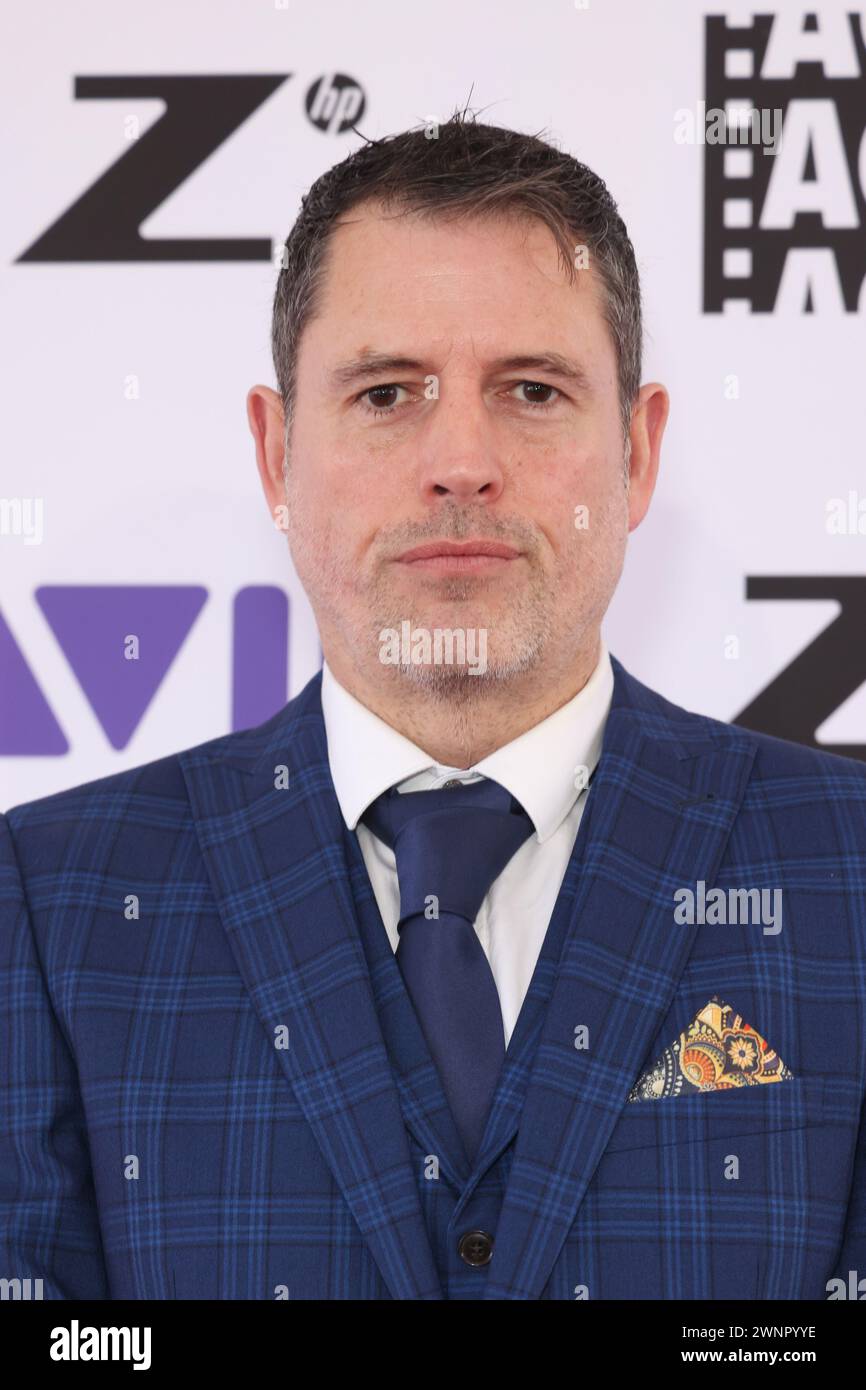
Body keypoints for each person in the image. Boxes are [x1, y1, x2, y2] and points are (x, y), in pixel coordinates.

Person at [1, 111, 864, 1301]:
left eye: (530, 388)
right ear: (274, 455)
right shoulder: (52, 903)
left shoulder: (848, 864)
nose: (460, 459)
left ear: (636, 453)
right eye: (386, 392)